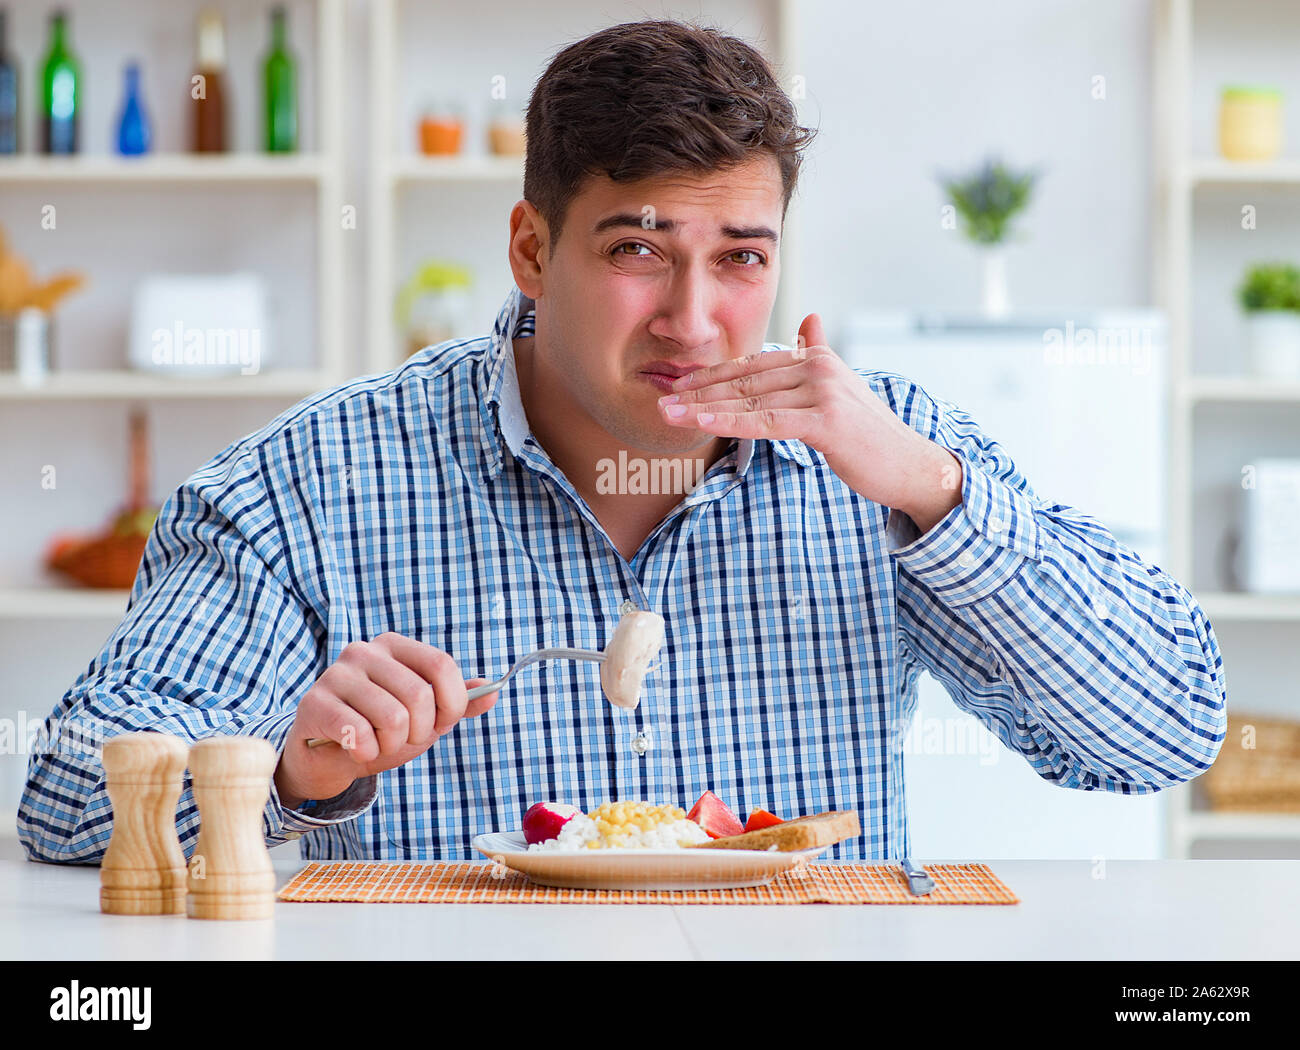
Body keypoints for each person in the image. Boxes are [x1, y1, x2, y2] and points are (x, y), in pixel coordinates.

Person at [19, 20, 1225, 864]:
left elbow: (1162, 735)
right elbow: (67, 797)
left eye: (741, 259)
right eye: (636, 250)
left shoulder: (891, 463)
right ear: (532, 251)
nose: (692, 322)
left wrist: (927, 490)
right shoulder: (305, 485)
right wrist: (282, 772)